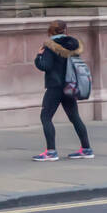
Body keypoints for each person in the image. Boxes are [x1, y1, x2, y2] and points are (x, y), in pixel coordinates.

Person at [32, 20, 93, 162]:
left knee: (45, 117)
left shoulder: (49, 47)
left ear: (51, 31)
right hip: (70, 86)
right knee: (75, 117)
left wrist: (38, 57)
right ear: (65, 30)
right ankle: (86, 149)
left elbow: (45, 66)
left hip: (55, 87)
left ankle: (51, 152)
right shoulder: (73, 45)